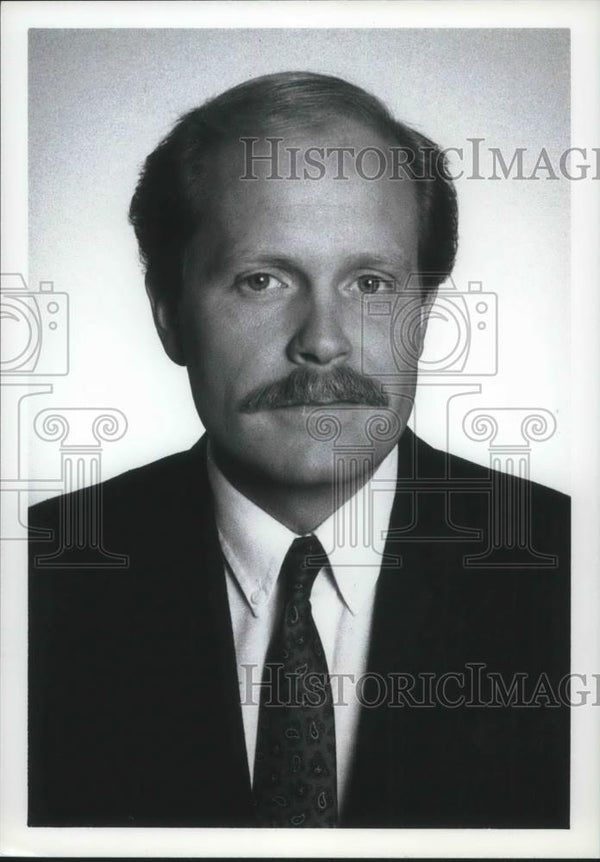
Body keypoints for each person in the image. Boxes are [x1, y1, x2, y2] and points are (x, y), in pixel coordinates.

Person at [28, 71, 569, 829]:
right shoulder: (33, 583)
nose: (321, 341)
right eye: (262, 280)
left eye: (371, 282)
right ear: (169, 316)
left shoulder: (574, 573)